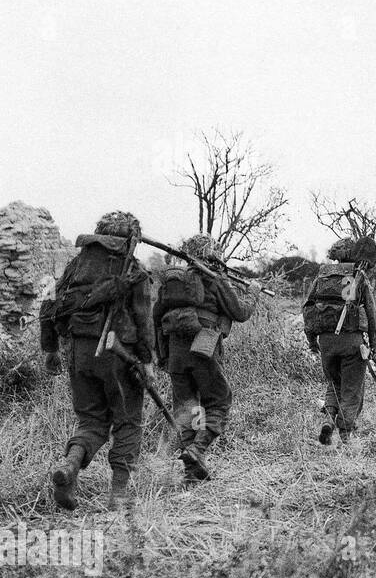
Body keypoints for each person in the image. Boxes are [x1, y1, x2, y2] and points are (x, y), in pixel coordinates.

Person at [39, 211, 155, 510]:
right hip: (119, 353)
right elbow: (143, 320)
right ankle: (118, 495)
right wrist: (147, 361)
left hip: (79, 351)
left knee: (91, 421)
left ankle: (69, 466)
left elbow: (50, 304)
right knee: (128, 421)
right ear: (132, 238)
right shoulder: (134, 270)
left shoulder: (77, 265)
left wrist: (51, 350)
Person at [152, 234, 261, 481]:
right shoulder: (215, 280)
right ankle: (198, 450)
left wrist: (162, 355)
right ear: (215, 255)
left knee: (189, 408)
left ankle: (193, 468)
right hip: (203, 348)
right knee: (219, 402)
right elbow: (240, 312)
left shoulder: (173, 282)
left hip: (175, 353)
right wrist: (252, 292)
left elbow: (155, 318)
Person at [302, 237, 376, 444]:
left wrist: (312, 341)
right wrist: (374, 344)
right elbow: (372, 315)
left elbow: (308, 309)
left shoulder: (322, 276)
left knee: (334, 384)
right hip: (351, 341)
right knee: (351, 390)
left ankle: (328, 419)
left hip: (326, 342)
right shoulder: (358, 276)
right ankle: (345, 435)